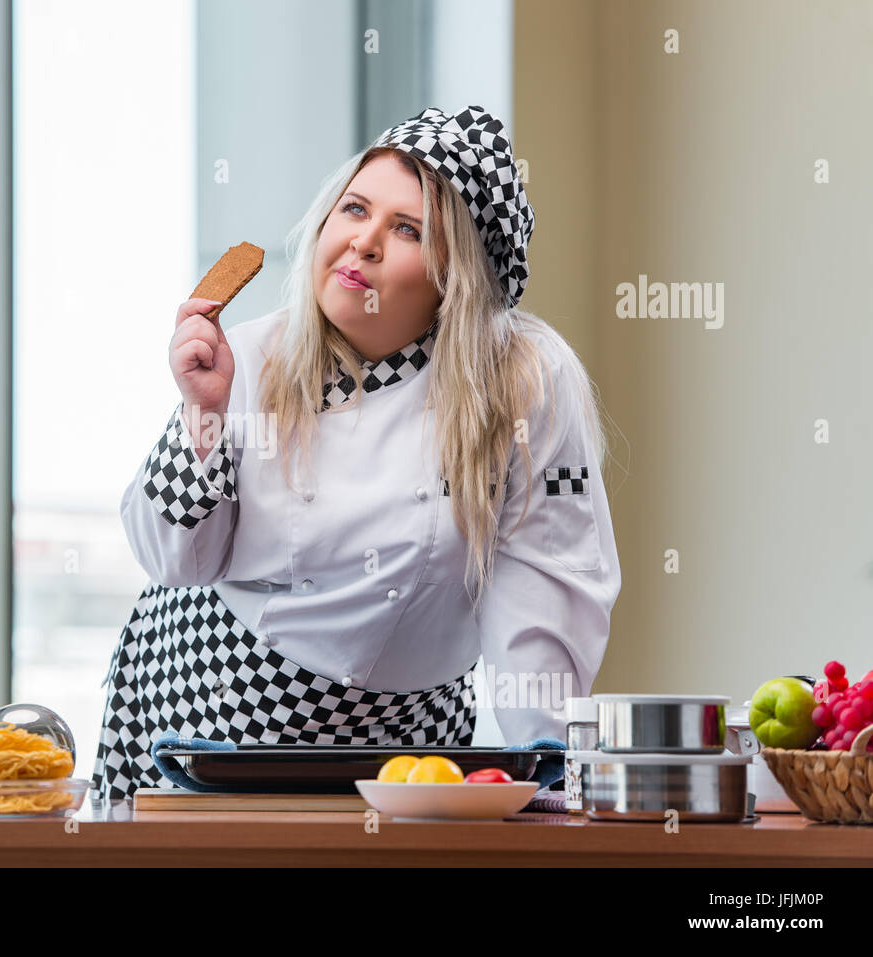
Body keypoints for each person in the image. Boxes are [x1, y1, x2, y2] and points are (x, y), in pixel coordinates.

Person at [91, 106, 621, 802]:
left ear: (457, 278)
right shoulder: (247, 357)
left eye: (407, 230)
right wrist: (204, 413)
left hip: (409, 748)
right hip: (208, 728)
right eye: (354, 210)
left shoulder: (527, 379)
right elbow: (172, 558)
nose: (362, 243)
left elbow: (549, 570)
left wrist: (547, 767)